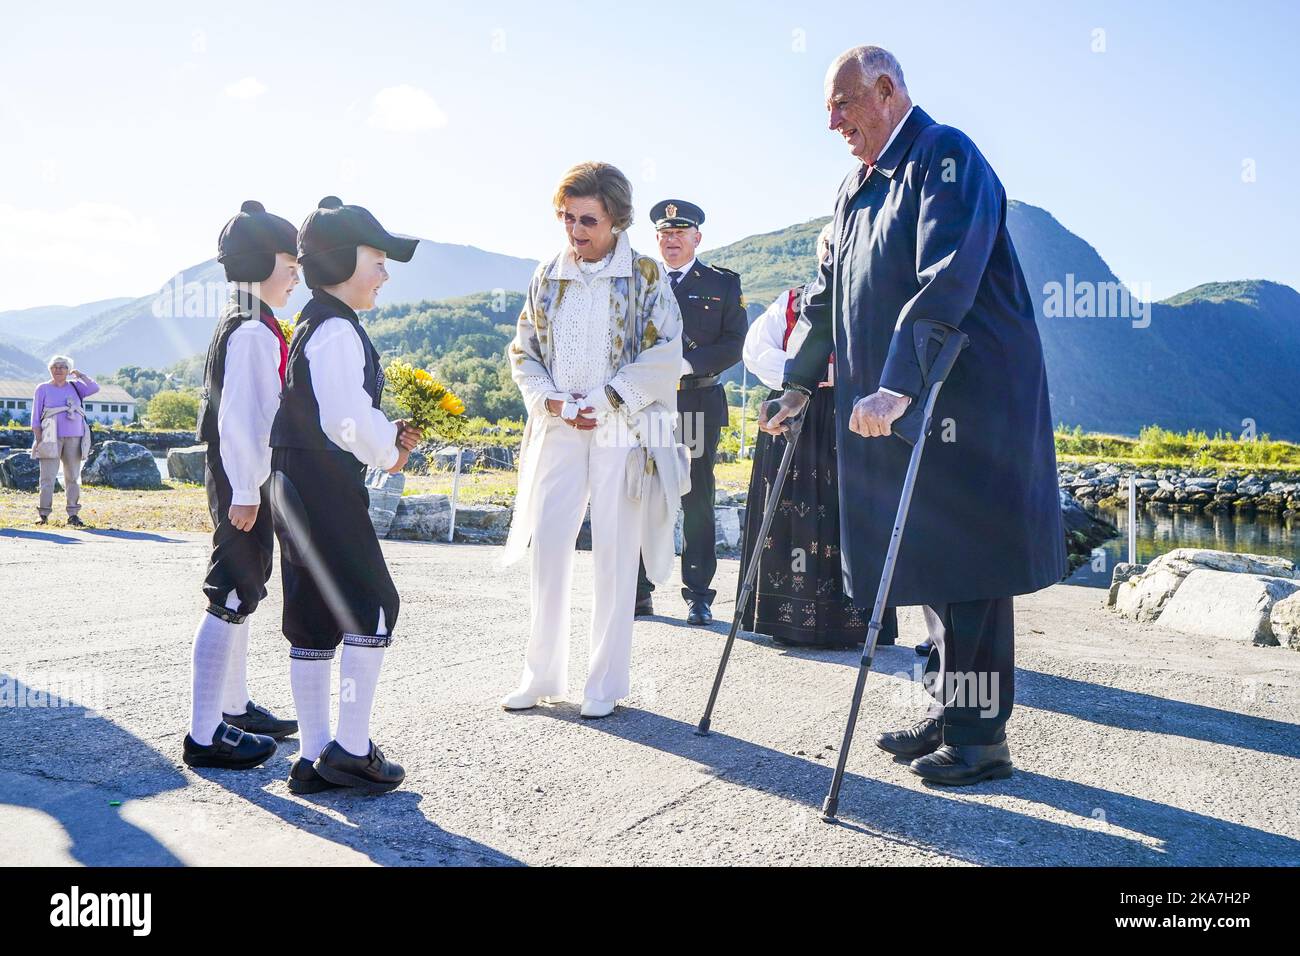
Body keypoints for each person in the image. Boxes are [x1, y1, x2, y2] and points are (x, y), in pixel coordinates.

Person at [764, 46, 1066, 786]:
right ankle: (948, 706)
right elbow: (832, 296)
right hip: (896, 407)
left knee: (971, 570)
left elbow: (947, 274)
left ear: (886, 90)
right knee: (927, 561)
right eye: (827, 109)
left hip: (962, 399)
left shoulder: (944, 156)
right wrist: (801, 385)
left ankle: (981, 738)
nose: (832, 121)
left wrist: (899, 383)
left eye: (842, 104)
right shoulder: (855, 188)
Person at [501, 162, 687, 719]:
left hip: (622, 430)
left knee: (614, 551)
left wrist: (609, 398)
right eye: (566, 217)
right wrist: (553, 400)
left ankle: (603, 685)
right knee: (549, 546)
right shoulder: (546, 274)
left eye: (587, 219)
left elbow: (667, 353)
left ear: (617, 219)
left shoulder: (648, 277)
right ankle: (540, 676)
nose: (575, 230)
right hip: (558, 428)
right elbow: (523, 351)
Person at [268, 196, 422, 794]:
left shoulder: (311, 321)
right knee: (373, 607)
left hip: (292, 480)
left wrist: (386, 440)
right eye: (377, 259)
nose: (385, 273)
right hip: (327, 483)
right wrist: (387, 448)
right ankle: (352, 749)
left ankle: (312, 758)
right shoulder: (337, 329)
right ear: (338, 262)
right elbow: (345, 418)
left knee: (310, 617)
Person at [737, 224, 900, 649]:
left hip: (853, 415)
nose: (835, 254)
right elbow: (756, 353)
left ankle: (857, 621)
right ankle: (783, 617)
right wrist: (811, 374)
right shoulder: (792, 300)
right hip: (799, 413)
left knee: (852, 513)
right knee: (790, 515)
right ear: (820, 252)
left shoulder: (876, 304)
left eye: (843, 246)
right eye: (829, 246)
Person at [181, 200, 301, 772]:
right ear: (260, 261)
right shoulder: (252, 330)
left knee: (245, 587)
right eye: (289, 260)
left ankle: (233, 708)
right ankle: (206, 732)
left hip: (237, 475)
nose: (298, 271)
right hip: (241, 479)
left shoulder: (244, 316)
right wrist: (249, 492)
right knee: (231, 590)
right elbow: (243, 420)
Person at [634, 200, 747, 625]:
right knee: (640, 492)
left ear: (697, 238)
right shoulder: (638, 282)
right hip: (644, 404)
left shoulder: (721, 284)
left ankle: (698, 594)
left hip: (696, 401)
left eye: (680, 233)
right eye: (664, 234)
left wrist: (687, 365)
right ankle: (639, 591)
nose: (672, 240)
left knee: (696, 497)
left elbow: (735, 342)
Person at [31, 356, 98, 527]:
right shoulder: (42, 388)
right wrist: (39, 439)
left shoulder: (76, 387)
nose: (59, 369)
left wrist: (80, 375)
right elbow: (36, 417)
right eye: (55, 366)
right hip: (49, 437)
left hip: (75, 436)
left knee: (73, 477)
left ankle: (73, 514)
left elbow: (94, 387)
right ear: (50, 369)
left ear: (68, 370)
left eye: (63, 367)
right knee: (47, 477)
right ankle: (43, 514)